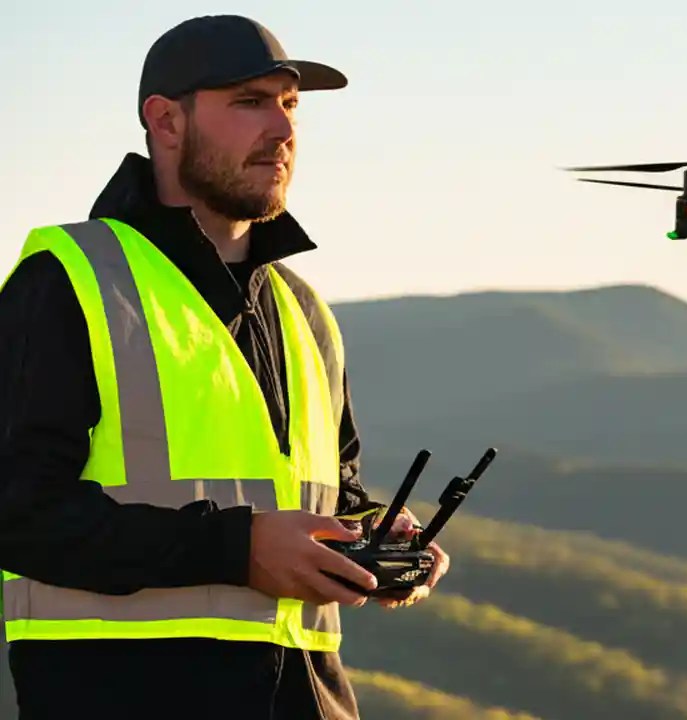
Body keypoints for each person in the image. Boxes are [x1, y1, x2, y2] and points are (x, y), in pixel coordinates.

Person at [0, 14, 448, 719]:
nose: (283, 129)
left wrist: (374, 537)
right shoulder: (72, 279)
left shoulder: (307, 312)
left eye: (290, 103)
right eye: (249, 102)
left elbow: (332, 492)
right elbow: (17, 511)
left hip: (309, 697)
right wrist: (235, 548)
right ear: (166, 122)